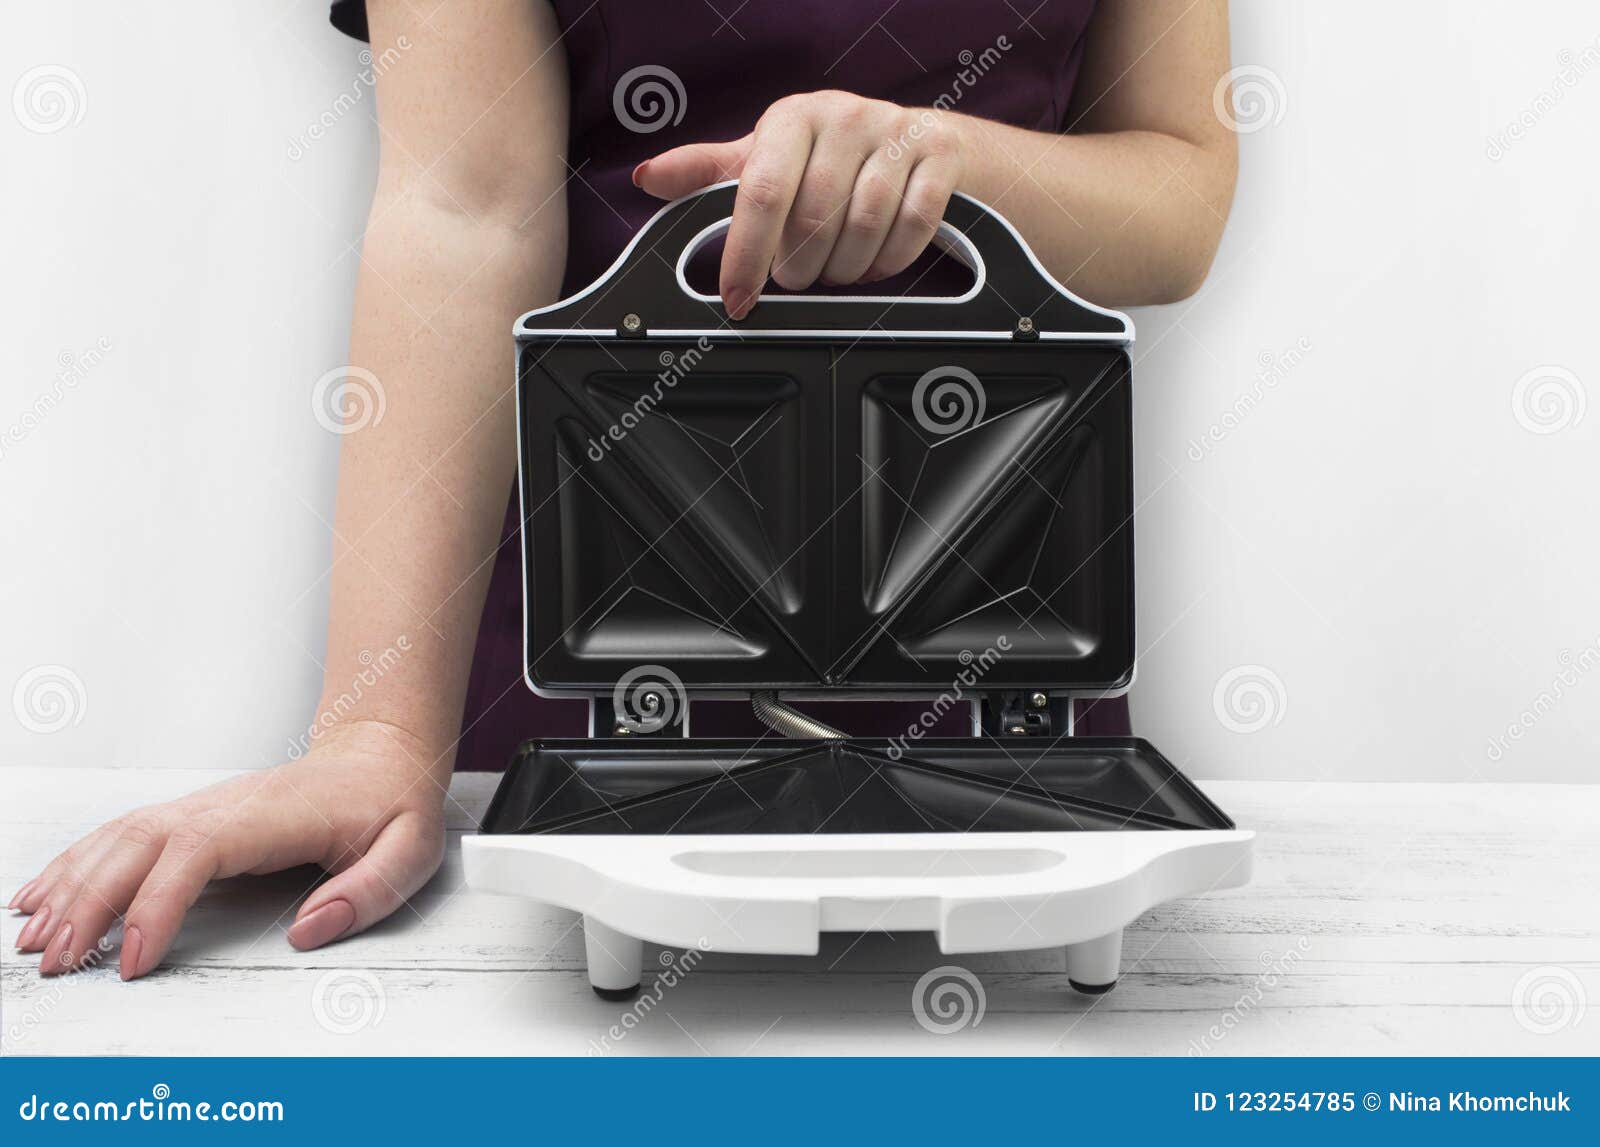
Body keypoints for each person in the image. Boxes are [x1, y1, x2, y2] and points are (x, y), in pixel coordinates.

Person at [11, 0, 1237, 980]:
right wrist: (373, 737)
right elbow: (466, 204)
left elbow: (1177, 198)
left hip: (990, 641)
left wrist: (939, 159)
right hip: (598, 623)